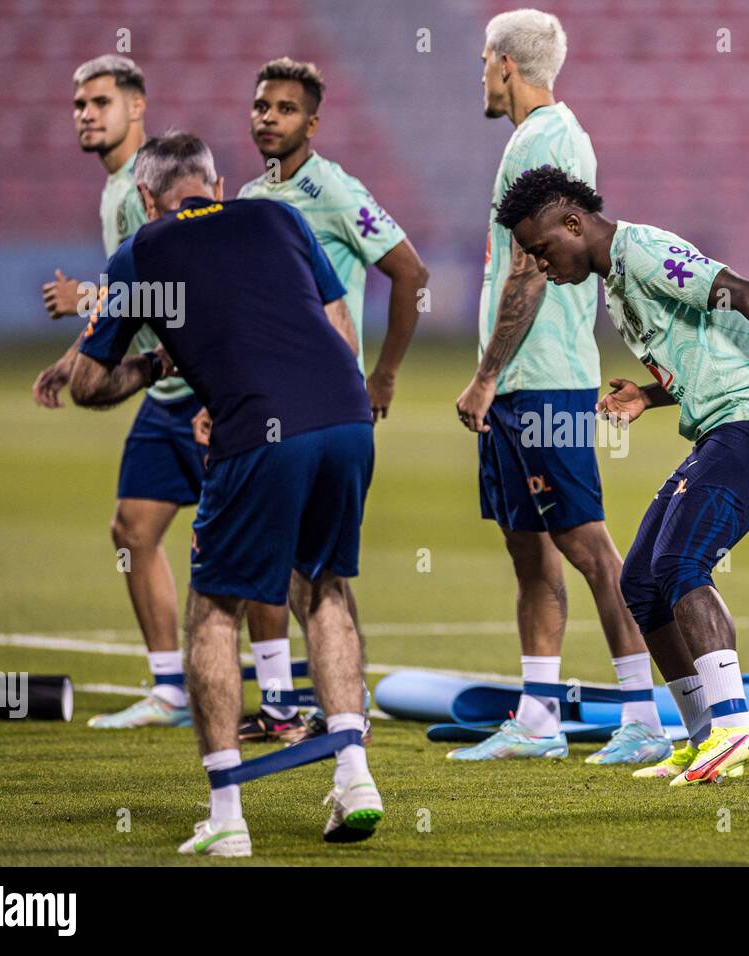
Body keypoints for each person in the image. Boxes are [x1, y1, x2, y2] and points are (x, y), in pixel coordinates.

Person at [495, 166, 749, 784]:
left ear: (573, 223)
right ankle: (704, 737)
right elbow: (703, 355)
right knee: (641, 581)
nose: (541, 264)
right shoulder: (615, 284)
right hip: (728, 424)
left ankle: (735, 727)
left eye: (542, 249)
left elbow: (747, 295)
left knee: (680, 565)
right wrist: (649, 394)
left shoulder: (643, 252)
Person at [69, 132, 381, 855]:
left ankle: (227, 816)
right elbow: (337, 326)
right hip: (346, 412)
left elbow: (87, 382)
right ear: (217, 183)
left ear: (147, 198)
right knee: (326, 588)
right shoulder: (278, 217)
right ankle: (356, 776)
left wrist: (156, 364)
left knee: (214, 611)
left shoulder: (143, 250)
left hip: (258, 427)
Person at [451, 9, 667, 764]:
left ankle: (642, 717)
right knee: (529, 549)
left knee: (587, 545)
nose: (481, 73)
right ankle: (539, 717)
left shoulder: (550, 140)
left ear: (505, 64)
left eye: (484, 61)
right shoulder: (533, 140)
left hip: (545, 380)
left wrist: (483, 375)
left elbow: (531, 267)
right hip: (520, 385)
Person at [232, 56, 428, 743]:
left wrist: (385, 374)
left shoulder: (335, 190)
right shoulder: (252, 200)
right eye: (261, 106)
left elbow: (409, 272)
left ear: (312, 124)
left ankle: (347, 709)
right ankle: (294, 706)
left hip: (326, 403)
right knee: (282, 563)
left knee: (319, 570)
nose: (269, 118)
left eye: (285, 109)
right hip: (267, 404)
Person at [31, 55, 200, 729]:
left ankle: (295, 687)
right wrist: (77, 355)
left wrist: (82, 301)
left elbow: (174, 289)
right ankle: (170, 690)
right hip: (167, 390)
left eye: (101, 102)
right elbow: (131, 304)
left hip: (203, 389)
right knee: (133, 528)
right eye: (79, 105)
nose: (87, 114)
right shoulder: (118, 191)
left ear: (138, 108)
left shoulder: (143, 190)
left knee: (260, 542)